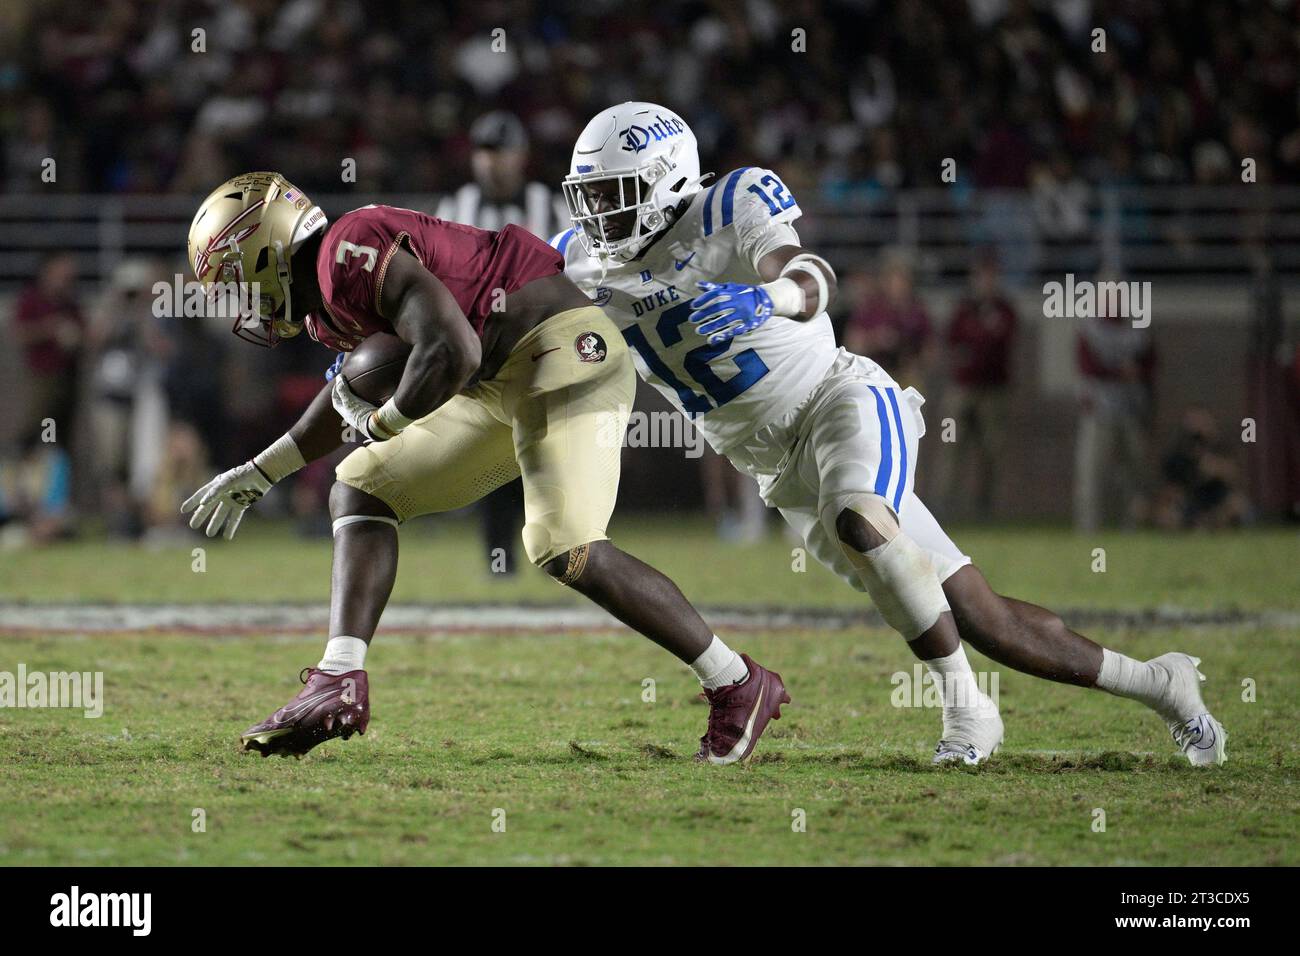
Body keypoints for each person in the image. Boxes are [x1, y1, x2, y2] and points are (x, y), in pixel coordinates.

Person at [556, 102, 1225, 767]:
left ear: (667, 178)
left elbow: (811, 276)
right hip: (777, 469)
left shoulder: (729, 204)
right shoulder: (579, 263)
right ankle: (1163, 684)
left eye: (614, 196)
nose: (597, 217)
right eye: (588, 199)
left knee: (858, 517)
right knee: (981, 617)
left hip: (838, 398)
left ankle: (967, 710)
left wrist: (769, 298)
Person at [180, 172, 788, 763]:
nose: (241, 302)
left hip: (563, 345)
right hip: (493, 379)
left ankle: (736, 681)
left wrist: (386, 422)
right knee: (361, 489)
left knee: (564, 545)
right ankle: (339, 677)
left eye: (235, 279)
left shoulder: (349, 249)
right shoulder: (325, 301)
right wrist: (262, 471)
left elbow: (452, 347)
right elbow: (347, 398)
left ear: (266, 251)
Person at [435, 111, 570, 576]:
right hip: (480, 352)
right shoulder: (454, 208)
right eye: (485, 152)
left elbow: (570, 273)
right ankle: (500, 561)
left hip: (541, 346)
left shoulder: (550, 206)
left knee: (544, 453)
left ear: (522, 157)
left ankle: (557, 552)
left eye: (502, 152)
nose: (494, 163)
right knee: (491, 453)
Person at [935, 249, 1018, 519]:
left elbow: (999, 344)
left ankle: (985, 511)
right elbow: (953, 343)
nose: (987, 282)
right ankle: (945, 508)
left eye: (991, 276)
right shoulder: (963, 308)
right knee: (951, 447)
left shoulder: (1006, 309)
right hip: (961, 389)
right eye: (982, 276)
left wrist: (976, 342)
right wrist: (981, 338)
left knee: (991, 451)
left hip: (993, 390)